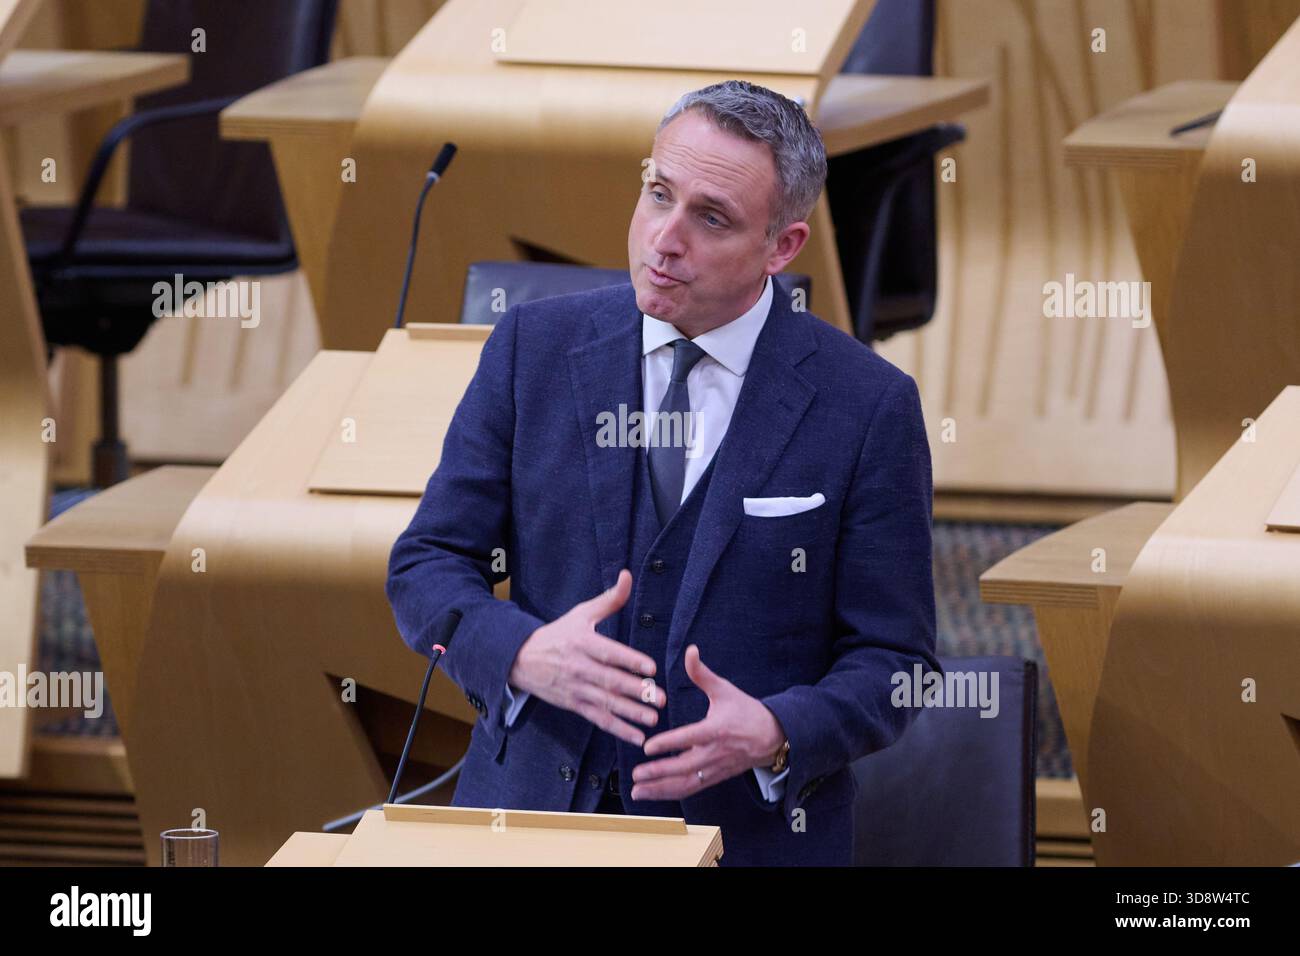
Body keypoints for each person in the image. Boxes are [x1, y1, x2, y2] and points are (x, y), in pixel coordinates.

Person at [387, 79, 939, 866]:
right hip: (530, 825)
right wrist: (520, 652)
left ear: (782, 247)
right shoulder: (529, 349)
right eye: (657, 195)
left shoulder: (868, 406)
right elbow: (426, 565)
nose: (663, 239)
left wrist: (779, 731)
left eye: (710, 217)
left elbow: (900, 664)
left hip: (747, 840)